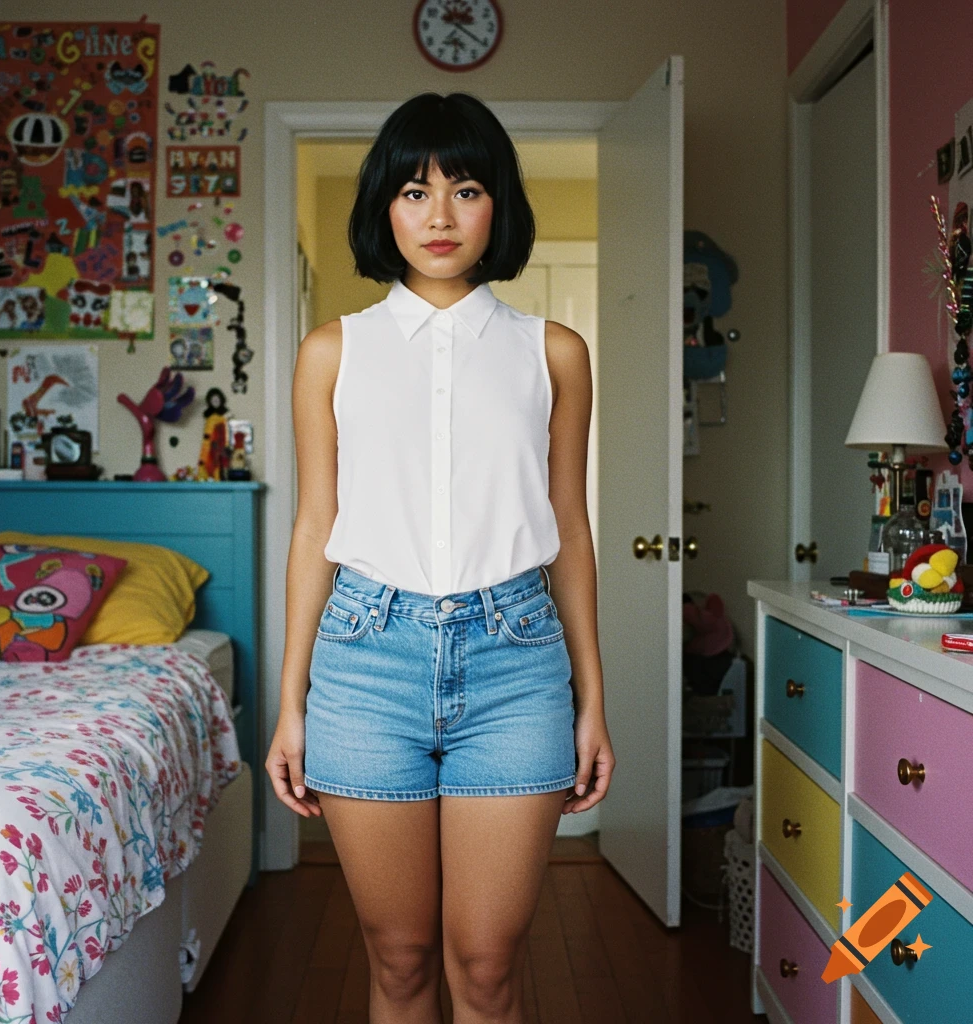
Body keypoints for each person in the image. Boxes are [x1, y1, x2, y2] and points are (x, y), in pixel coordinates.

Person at [266, 91, 615, 1024]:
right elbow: (313, 529)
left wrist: (593, 700)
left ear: (499, 204)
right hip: (364, 660)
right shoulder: (332, 352)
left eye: (466, 190)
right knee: (400, 958)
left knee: (488, 967)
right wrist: (290, 704)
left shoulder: (557, 354)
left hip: (516, 662)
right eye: (415, 192)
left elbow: (571, 530)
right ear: (384, 205)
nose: (440, 216)